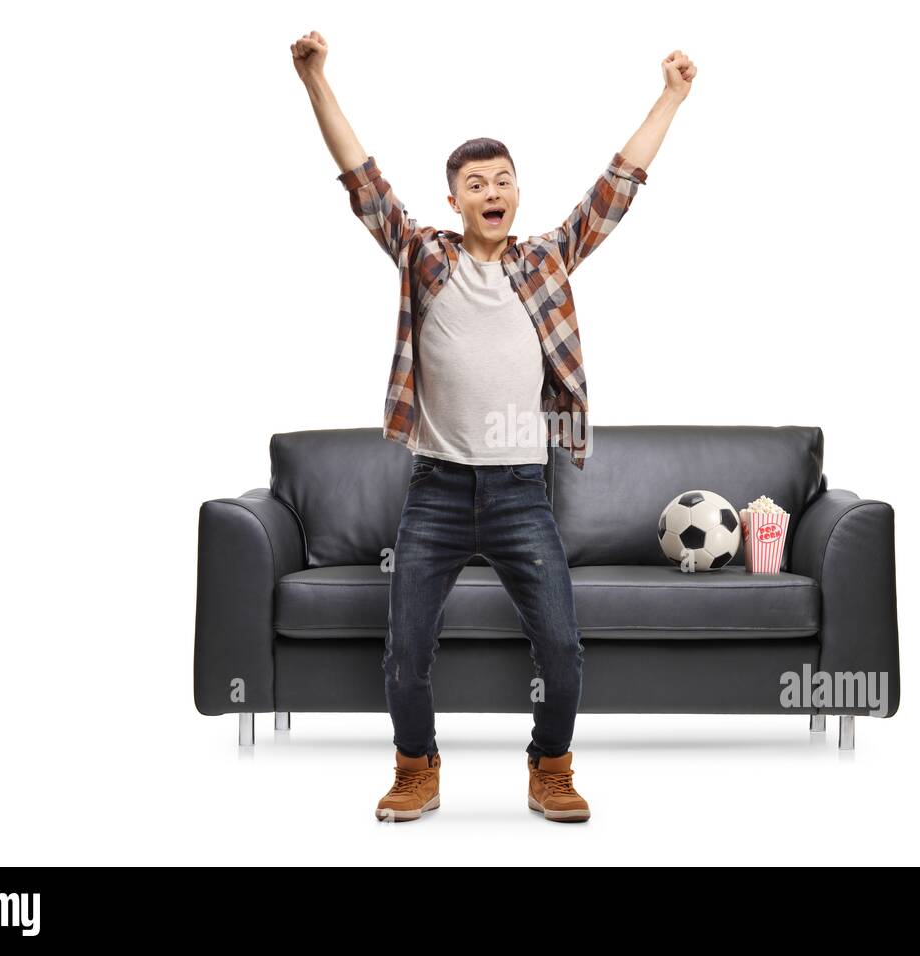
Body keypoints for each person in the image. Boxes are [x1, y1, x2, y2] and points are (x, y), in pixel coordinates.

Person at [290, 30, 696, 822]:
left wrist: (671, 98)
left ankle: (551, 767)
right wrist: (315, 81)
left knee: (563, 648)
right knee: (406, 651)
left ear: (516, 194)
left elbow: (617, 187)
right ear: (455, 201)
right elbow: (361, 180)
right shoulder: (425, 257)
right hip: (436, 494)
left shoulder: (545, 260)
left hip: (520, 493)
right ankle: (416, 765)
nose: (491, 190)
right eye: (475, 182)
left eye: (502, 180)